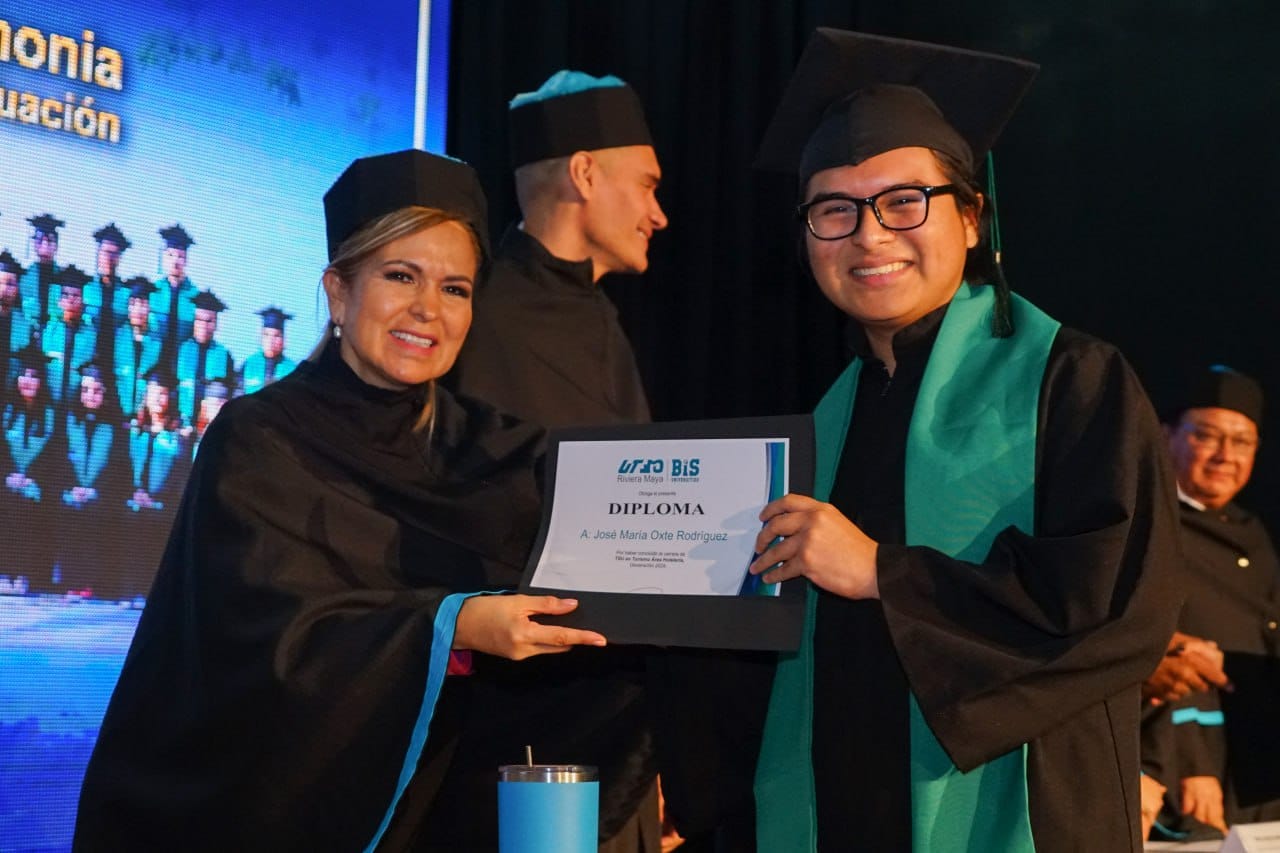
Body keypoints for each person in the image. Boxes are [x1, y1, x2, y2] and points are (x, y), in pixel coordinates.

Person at [75, 149, 611, 851]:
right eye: (400, 276)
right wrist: (453, 625)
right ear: (337, 290)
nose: (429, 309)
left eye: (455, 288)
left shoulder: (499, 453)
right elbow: (263, 644)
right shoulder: (260, 440)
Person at [739, 30, 1181, 851]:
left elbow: (1117, 605)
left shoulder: (1071, 379)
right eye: (834, 209)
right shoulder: (822, 419)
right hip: (841, 811)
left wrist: (879, 572)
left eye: (904, 201)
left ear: (973, 217)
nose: (869, 235)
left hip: (1031, 806)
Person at [446, 69, 668, 853]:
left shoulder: (603, 321)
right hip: (504, 745)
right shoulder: (470, 320)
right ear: (584, 173)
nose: (660, 214)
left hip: (623, 736)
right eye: (647, 185)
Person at [1141, 366, 1280, 838]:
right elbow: (1142, 648)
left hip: (1257, 767)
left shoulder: (1254, 533)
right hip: (1186, 768)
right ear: (1166, 435)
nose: (1225, 455)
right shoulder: (1144, 524)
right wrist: (1190, 761)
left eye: (1242, 442)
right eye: (1206, 436)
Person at [175, 289, 234, 426]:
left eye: (209, 321)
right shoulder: (181, 351)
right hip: (181, 423)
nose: (203, 326)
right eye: (199, 320)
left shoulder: (224, 355)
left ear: (216, 324)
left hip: (210, 424)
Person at [42, 265, 97, 408]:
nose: (71, 300)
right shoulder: (49, 330)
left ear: (83, 301)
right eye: (65, 295)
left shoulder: (91, 335)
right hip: (48, 401)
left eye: (76, 296)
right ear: (59, 301)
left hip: (77, 406)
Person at [113, 276, 162, 418]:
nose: (138, 310)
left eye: (143, 304)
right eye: (133, 303)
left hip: (145, 413)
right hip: (117, 409)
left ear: (149, 308)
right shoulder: (117, 337)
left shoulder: (157, 342)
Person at [152, 223, 198, 364]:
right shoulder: (153, 292)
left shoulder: (195, 297)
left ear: (186, 260)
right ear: (164, 256)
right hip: (153, 362)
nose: (175, 261)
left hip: (182, 363)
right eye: (171, 255)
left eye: (180, 256)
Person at [17, 212, 63, 325]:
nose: (45, 245)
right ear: (34, 243)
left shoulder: (64, 278)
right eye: (40, 240)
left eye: (50, 240)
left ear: (56, 245)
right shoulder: (23, 276)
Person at [239, 305, 297, 394]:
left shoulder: (291, 368)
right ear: (260, 337)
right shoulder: (249, 363)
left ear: (283, 340)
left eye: (276, 336)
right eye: (266, 335)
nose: (271, 341)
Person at [1, 250, 31, 396]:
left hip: (11, 393)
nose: (4, 289)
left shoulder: (25, 324)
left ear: (17, 288)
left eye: (10, 284)